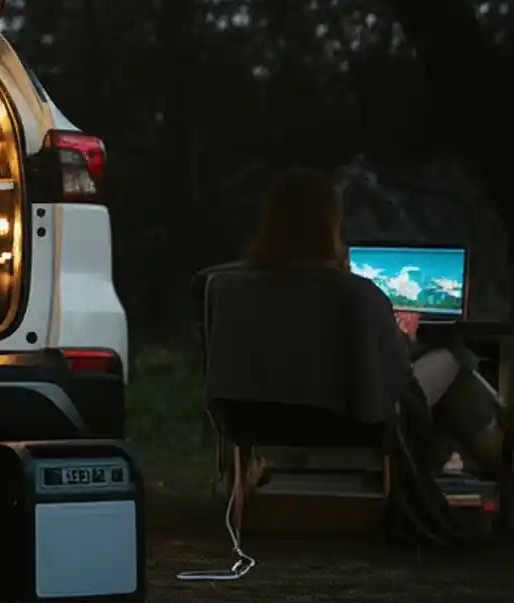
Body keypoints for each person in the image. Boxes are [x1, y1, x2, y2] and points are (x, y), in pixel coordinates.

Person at [196, 167, 506, 478]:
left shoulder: (228, 289)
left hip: (252, 424)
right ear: (331, 224)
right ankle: (492, 462)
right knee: (452, 359)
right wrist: (402, 339)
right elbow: (396, 379)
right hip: (352, 426)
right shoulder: (359, 295)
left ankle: (462, 459)